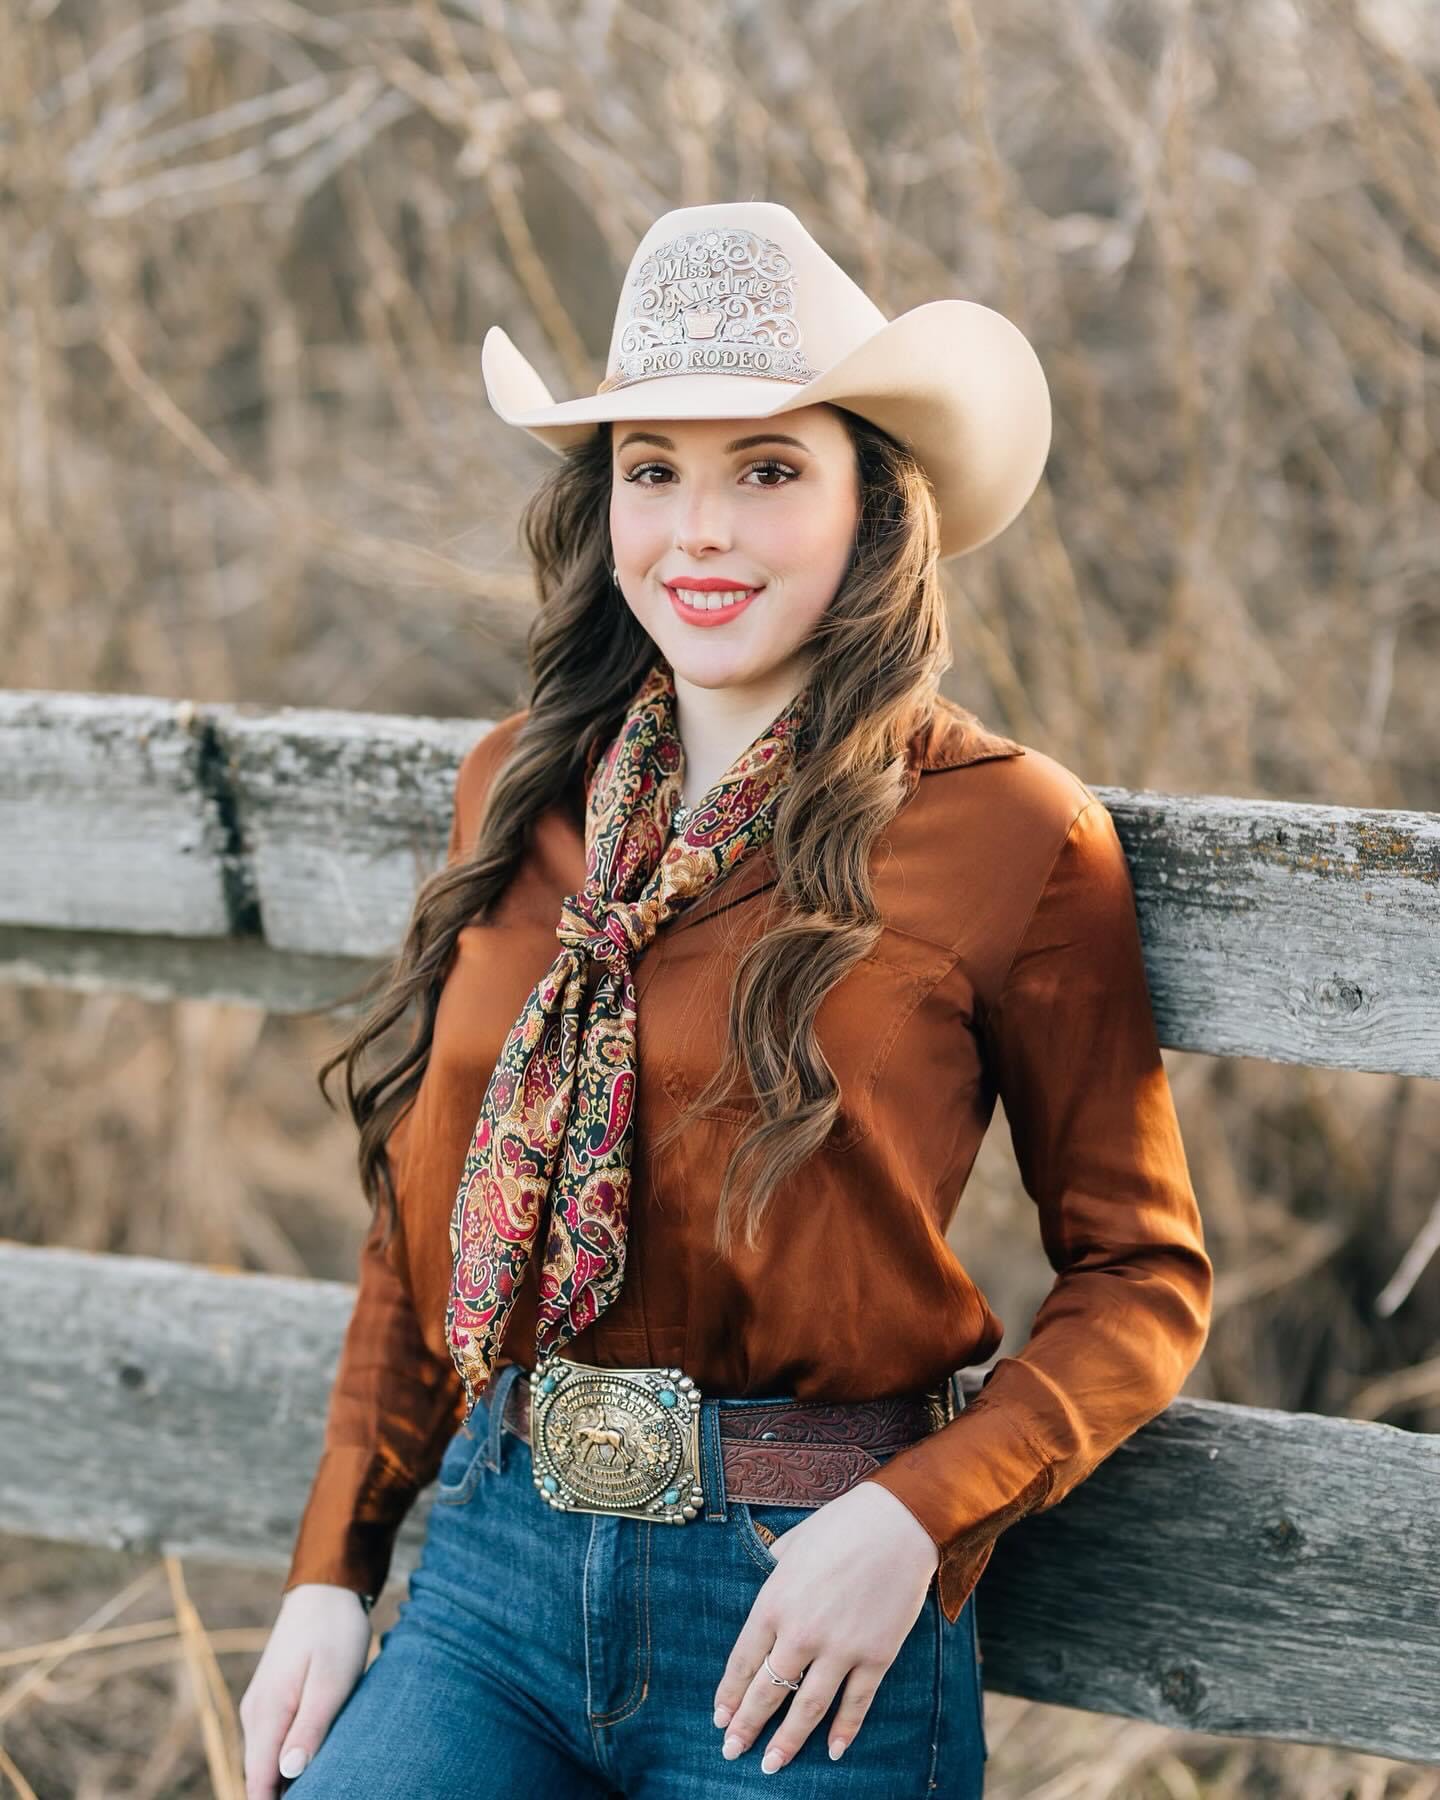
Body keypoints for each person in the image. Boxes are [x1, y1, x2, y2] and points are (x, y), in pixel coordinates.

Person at [239, 200, 1213, 1799]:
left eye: (767, 469)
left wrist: (917, 1516)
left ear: (869, 504)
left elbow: (1142, 1277)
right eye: (652, 469)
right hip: (493, 1574)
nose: (700, 532)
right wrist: (331, 1570)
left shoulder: (1007, 832)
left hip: (801, 1601)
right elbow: (427, 1211)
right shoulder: (519, 788)